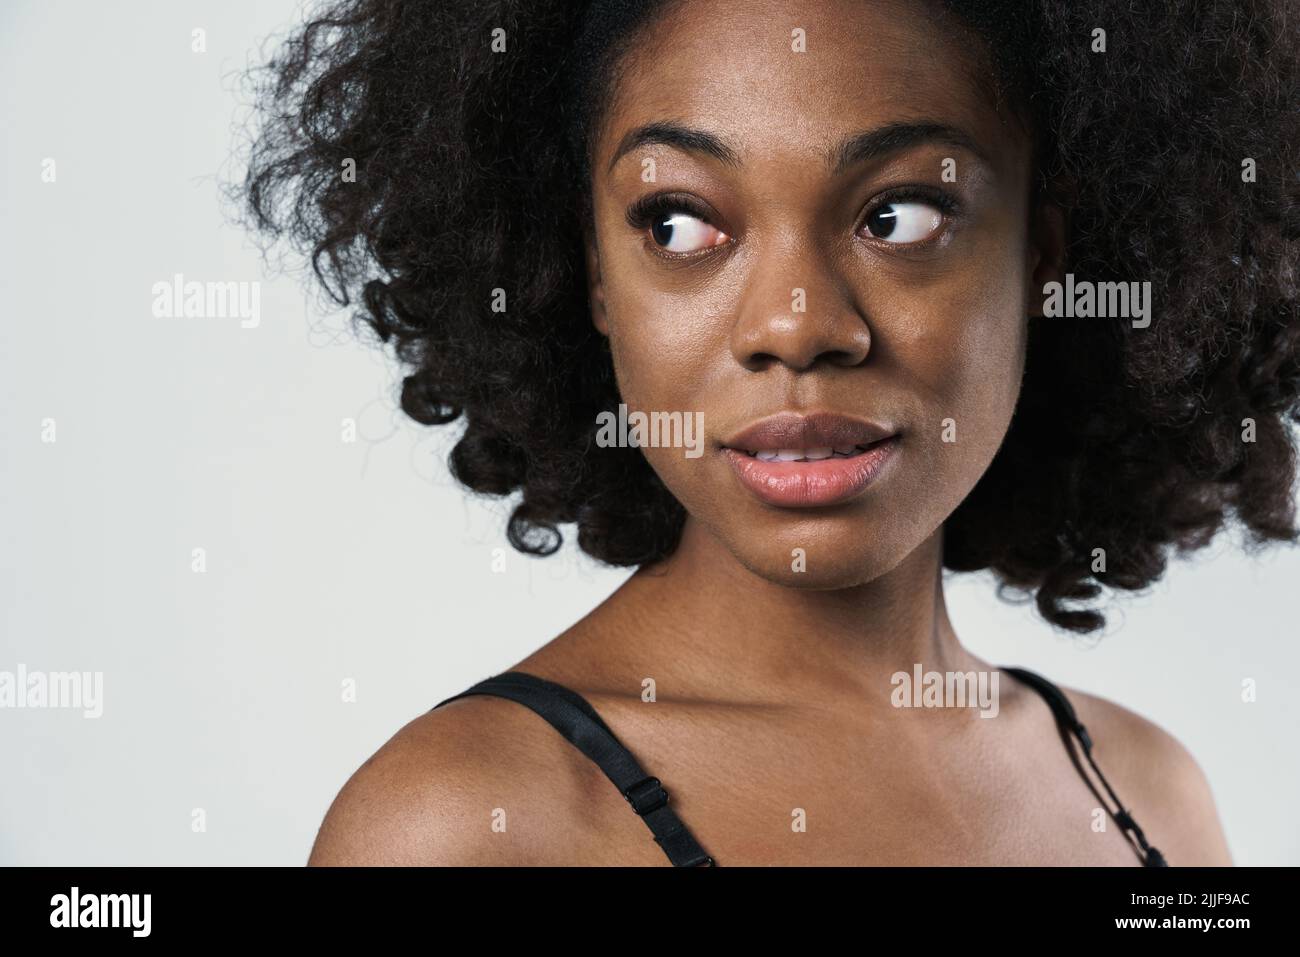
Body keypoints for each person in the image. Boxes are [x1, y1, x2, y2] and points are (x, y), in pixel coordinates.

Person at [235, 0, 1298, 865]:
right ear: (594, 274)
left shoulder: (1144, 794)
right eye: (679, 223)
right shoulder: (474, 828)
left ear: (1042, 254)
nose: (794, 325)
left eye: (899, 216)